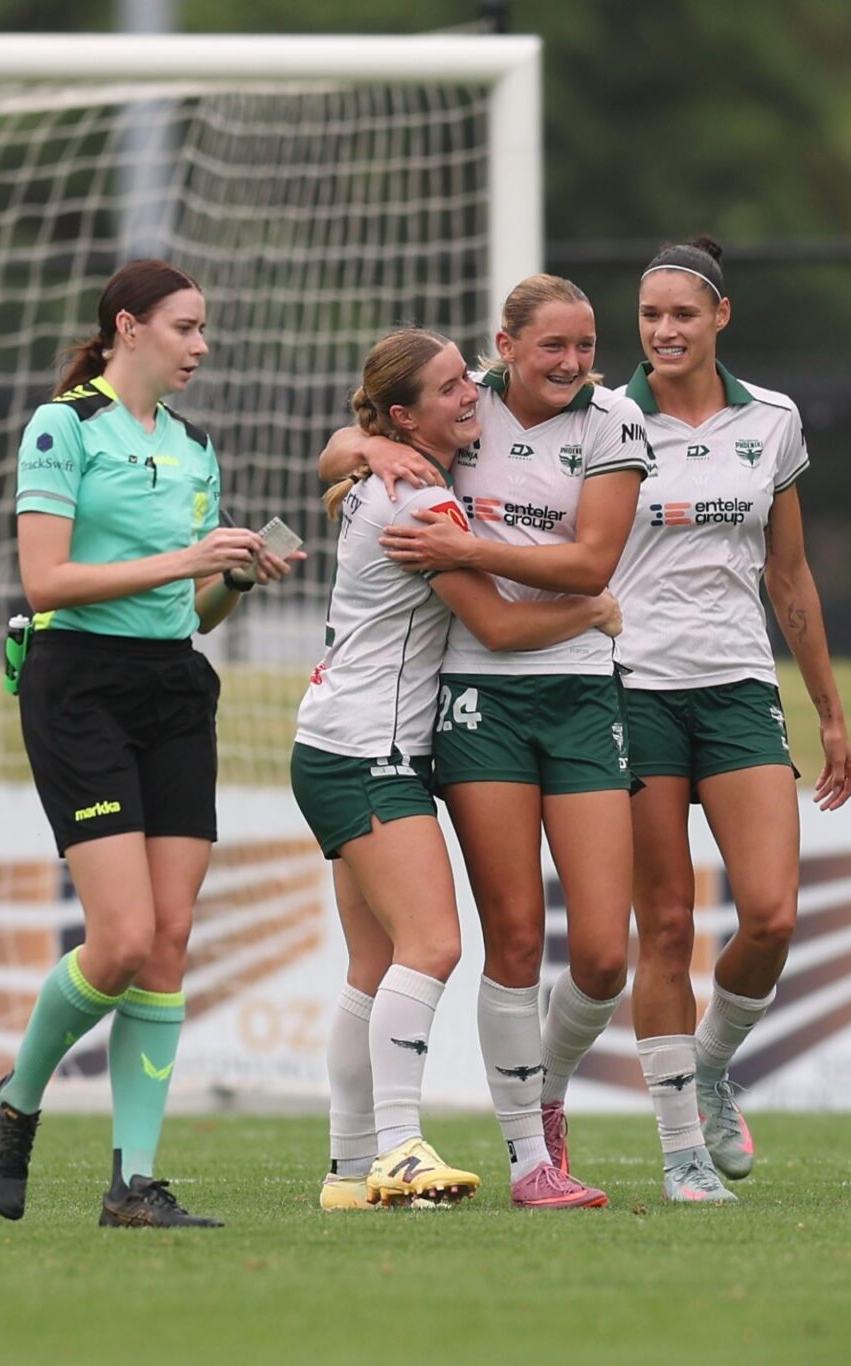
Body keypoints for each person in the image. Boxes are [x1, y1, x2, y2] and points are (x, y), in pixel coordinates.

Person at [0, 259, 302, 1228]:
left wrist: (235, 576)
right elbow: (44, 581)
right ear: (129, 326)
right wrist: (187, 557)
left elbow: (189, 611)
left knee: (166, 943)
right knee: (115, 940)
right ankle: (13, 1101)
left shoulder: (196, 449)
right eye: (185, 327)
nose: (200, 346)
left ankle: (134, 1184)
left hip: (170, 688)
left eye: (203, 329)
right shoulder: (61, 426)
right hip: (78, 685)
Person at [318, 275, 650, 1209]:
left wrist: (471, 552)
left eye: (586, 346)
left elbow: (591, 563)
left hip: (580, 692)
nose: (574, 364)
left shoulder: (614, 423)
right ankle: (526, 1159)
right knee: (506, 936)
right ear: (506, 346)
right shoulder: (465, 408)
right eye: (553, 347)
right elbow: (341, 449)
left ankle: (532, 1094)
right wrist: (370, 444)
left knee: (599, 956)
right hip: (475, 703)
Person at [612, 238, 851, 1202]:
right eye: (648, 316)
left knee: (771, 914)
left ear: (721, 316)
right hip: (631, 688)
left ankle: (710, 1067)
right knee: (664, 923)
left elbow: (788, 575)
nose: (664, 331)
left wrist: (832, 715)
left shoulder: (775, 421)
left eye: (682, 313)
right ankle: (679, 1149)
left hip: (739, 689)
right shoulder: (603, 417)